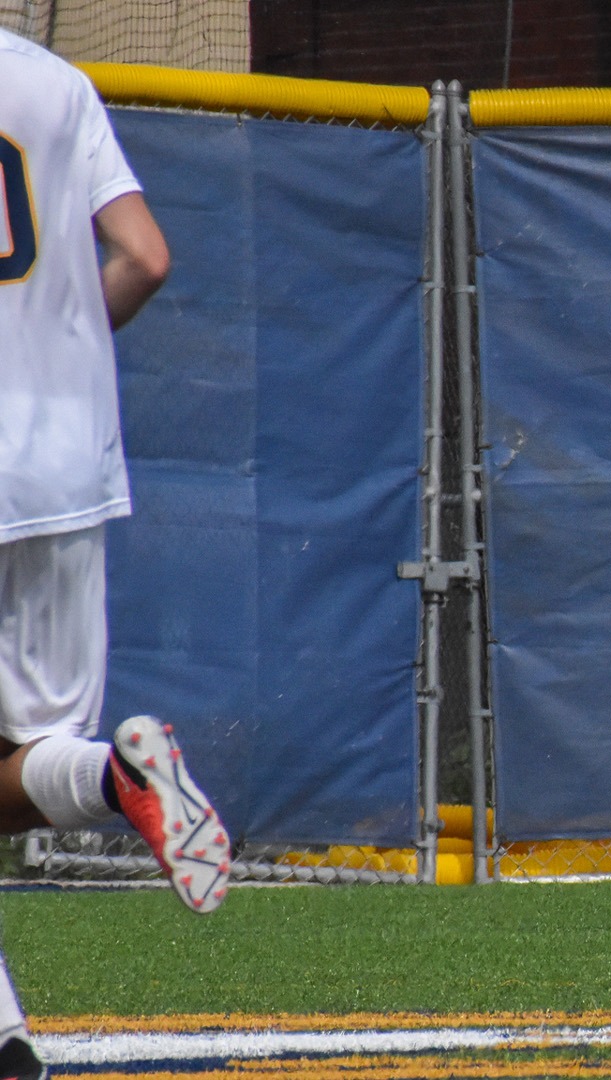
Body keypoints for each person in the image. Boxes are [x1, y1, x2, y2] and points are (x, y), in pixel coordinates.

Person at [0, 26, 231, 1077]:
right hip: (62, 470)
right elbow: (147, 256)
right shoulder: (59, 81)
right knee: (25, 762)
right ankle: (108, 773)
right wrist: (56, 355)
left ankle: (109, 774)